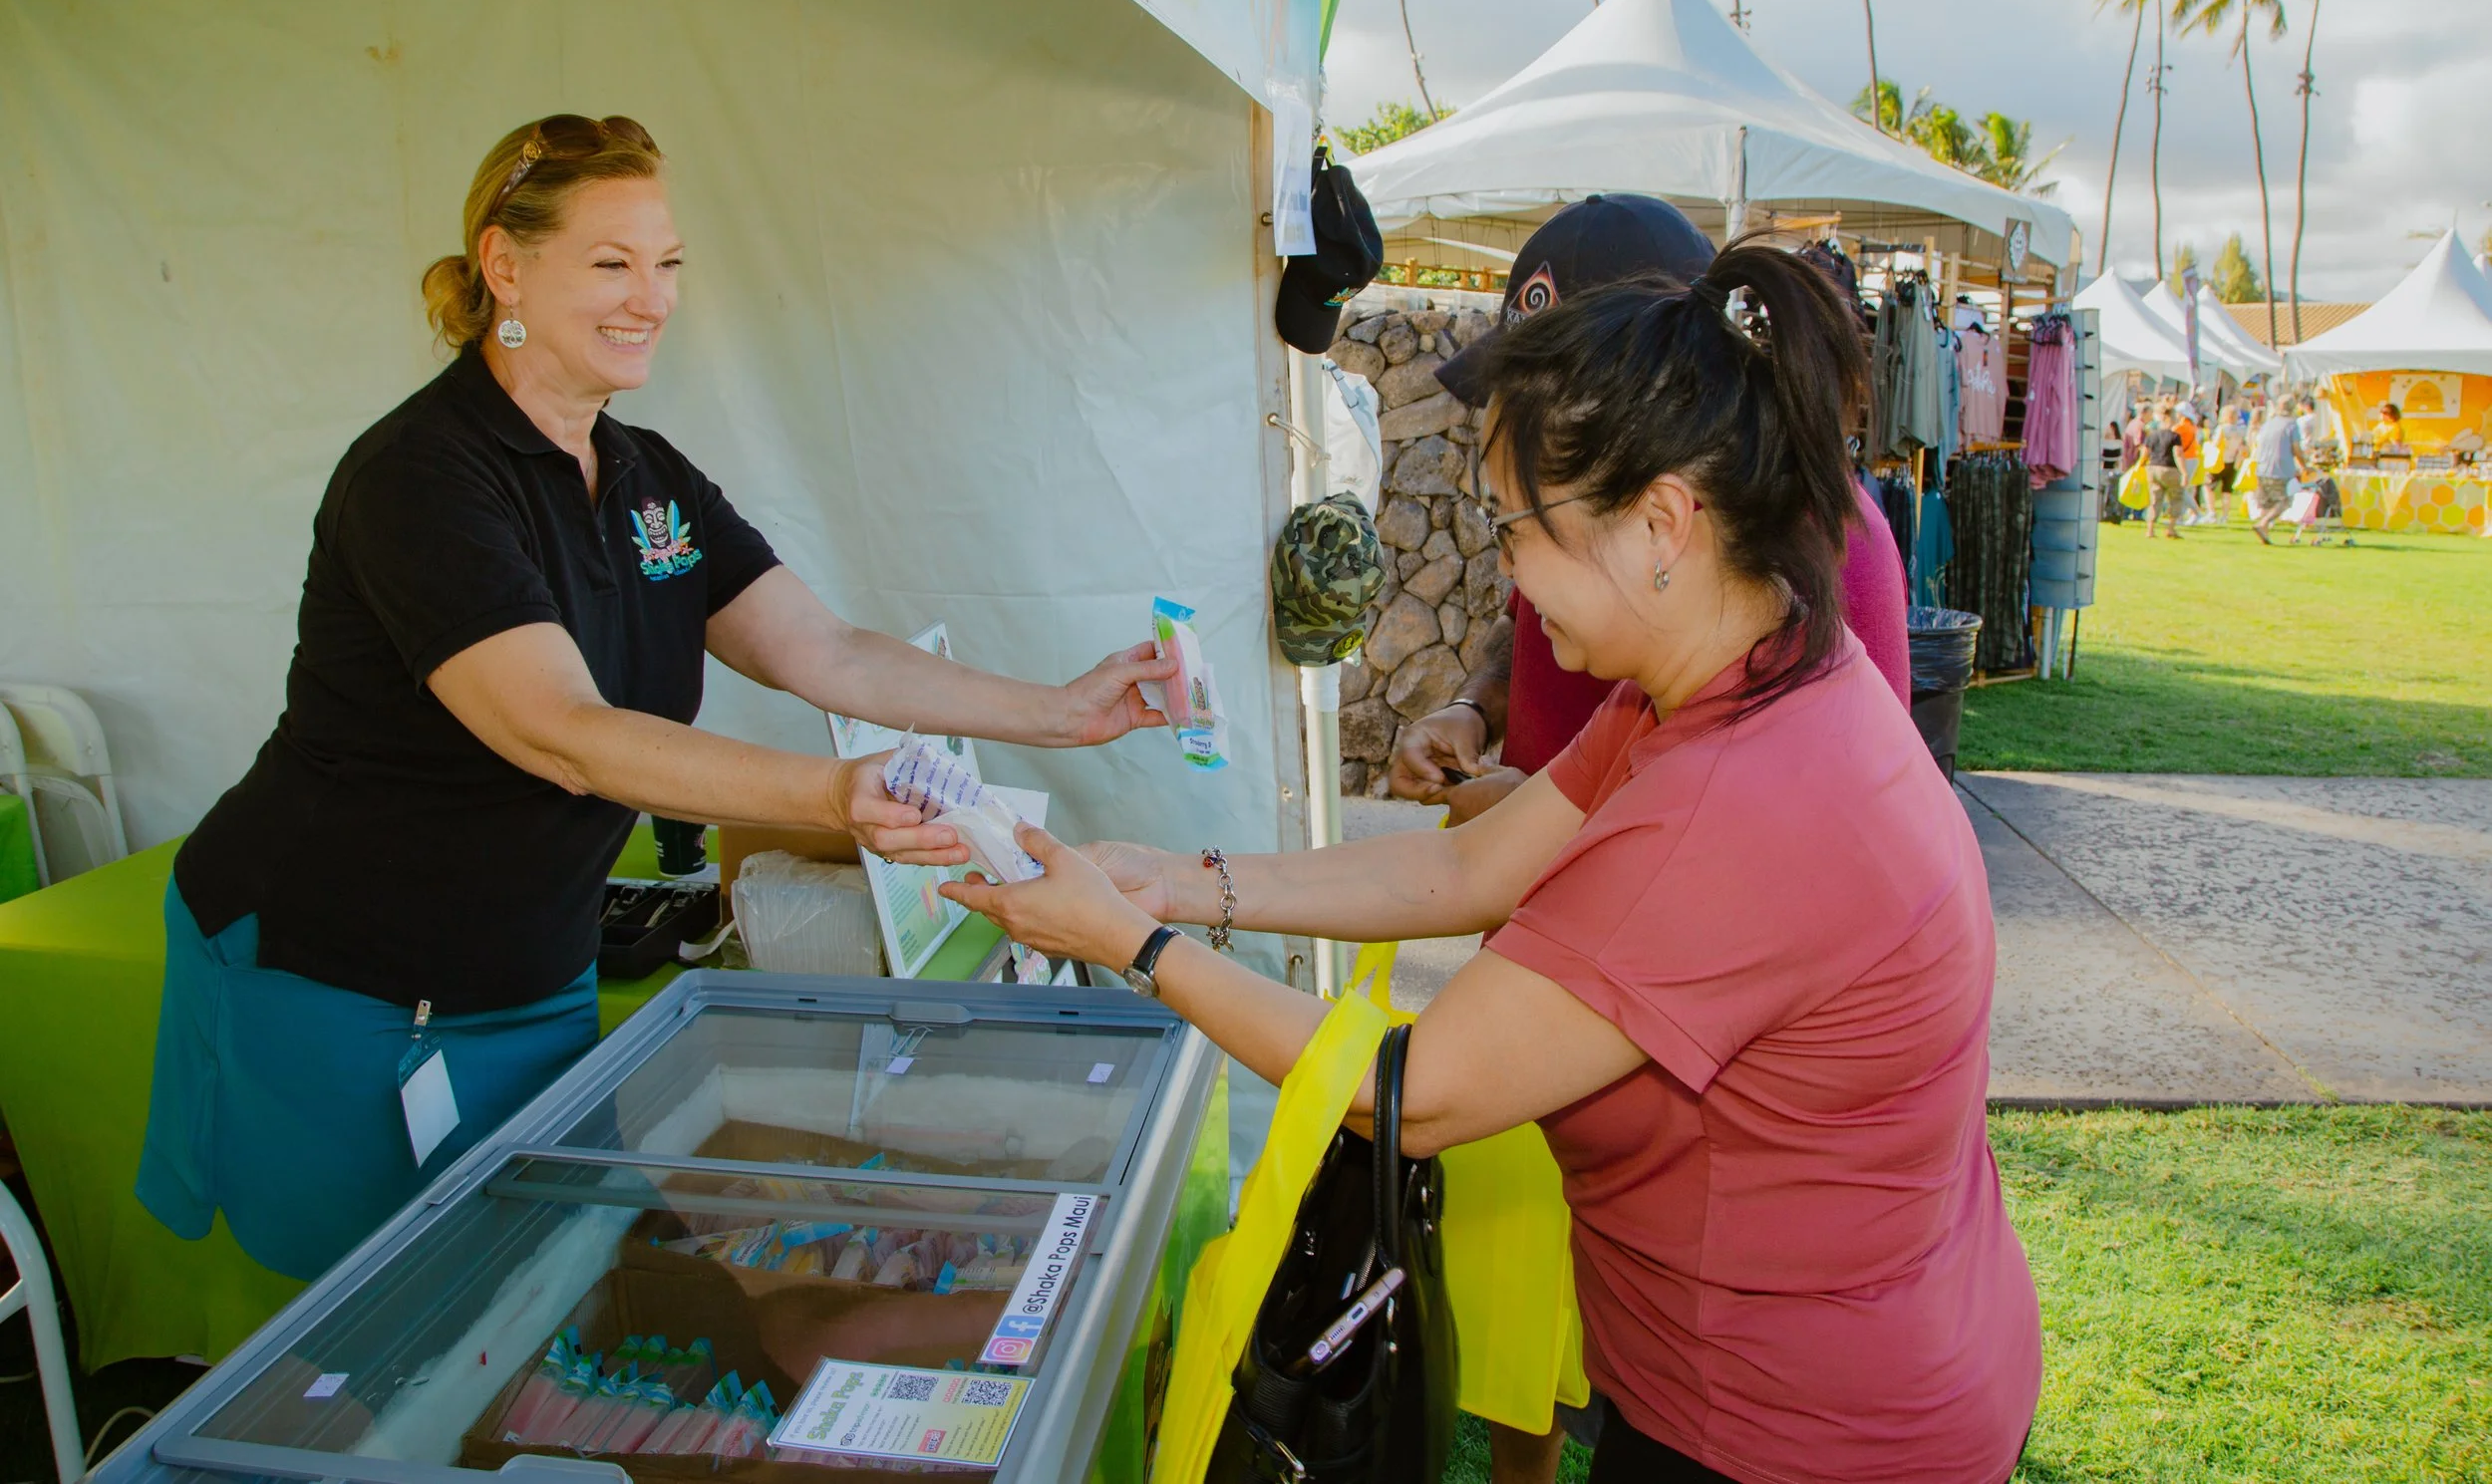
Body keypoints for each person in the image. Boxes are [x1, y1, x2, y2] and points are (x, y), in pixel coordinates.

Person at [954, 242, 2041, 1484]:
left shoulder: (1734, 803)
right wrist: (1177, 877)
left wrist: (1133, 944)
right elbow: (1462, 871)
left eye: (1518, 529)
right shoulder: (1720, 678)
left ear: (1662, 524)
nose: (1509, 577)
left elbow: (1410, 1089)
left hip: (1801, 1431)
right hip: (1852, 1353)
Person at [138, 115, 1174, 1281]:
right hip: (338, 977)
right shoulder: (420, 476)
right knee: (363, 1325)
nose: (653, 297)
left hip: (528, 971)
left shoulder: (646, 476)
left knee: (519, 1296)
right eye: (612, 262)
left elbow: (827, 649)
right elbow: (564, 734)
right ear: (505, 265)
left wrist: (1061, 710)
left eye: (668, 262)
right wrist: (834, 790)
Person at [1384, 195, 1909, 827]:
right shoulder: (1582, 520)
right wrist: (1475, 708)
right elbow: (1518, 623)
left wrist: (1546, 831)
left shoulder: (1824, 539)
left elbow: (1819, 822)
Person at [2249, 398, 2309, 545]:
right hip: (2280, 468)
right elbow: (2296, 449)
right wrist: (2304, 466)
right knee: (2285, 500)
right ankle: (2263, 524)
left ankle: (2264, 533)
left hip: (2262, 466)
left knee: (2266, 502)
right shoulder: (2291, 425)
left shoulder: (2269, 423)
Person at [2142, 400, 2187, 538]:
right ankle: (2171, 528)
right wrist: (2184, 473)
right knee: (2176, 498)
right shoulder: (2174, 436)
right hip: (2170, 468)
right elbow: (2178, 454)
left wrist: (2140, 465)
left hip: (2153, 467)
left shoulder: (2152, 435)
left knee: (2155, 499)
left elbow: (2145, 453)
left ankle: (2150, 529)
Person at [2205, 404, 2250, 524]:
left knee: (2209, 487)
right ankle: (2225, 515)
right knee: (2227, 491)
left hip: (2219, 461)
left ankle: (2212, 512)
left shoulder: (2222, 429)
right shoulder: (2241, 430)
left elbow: (2216, 444)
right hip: (2232, 461)